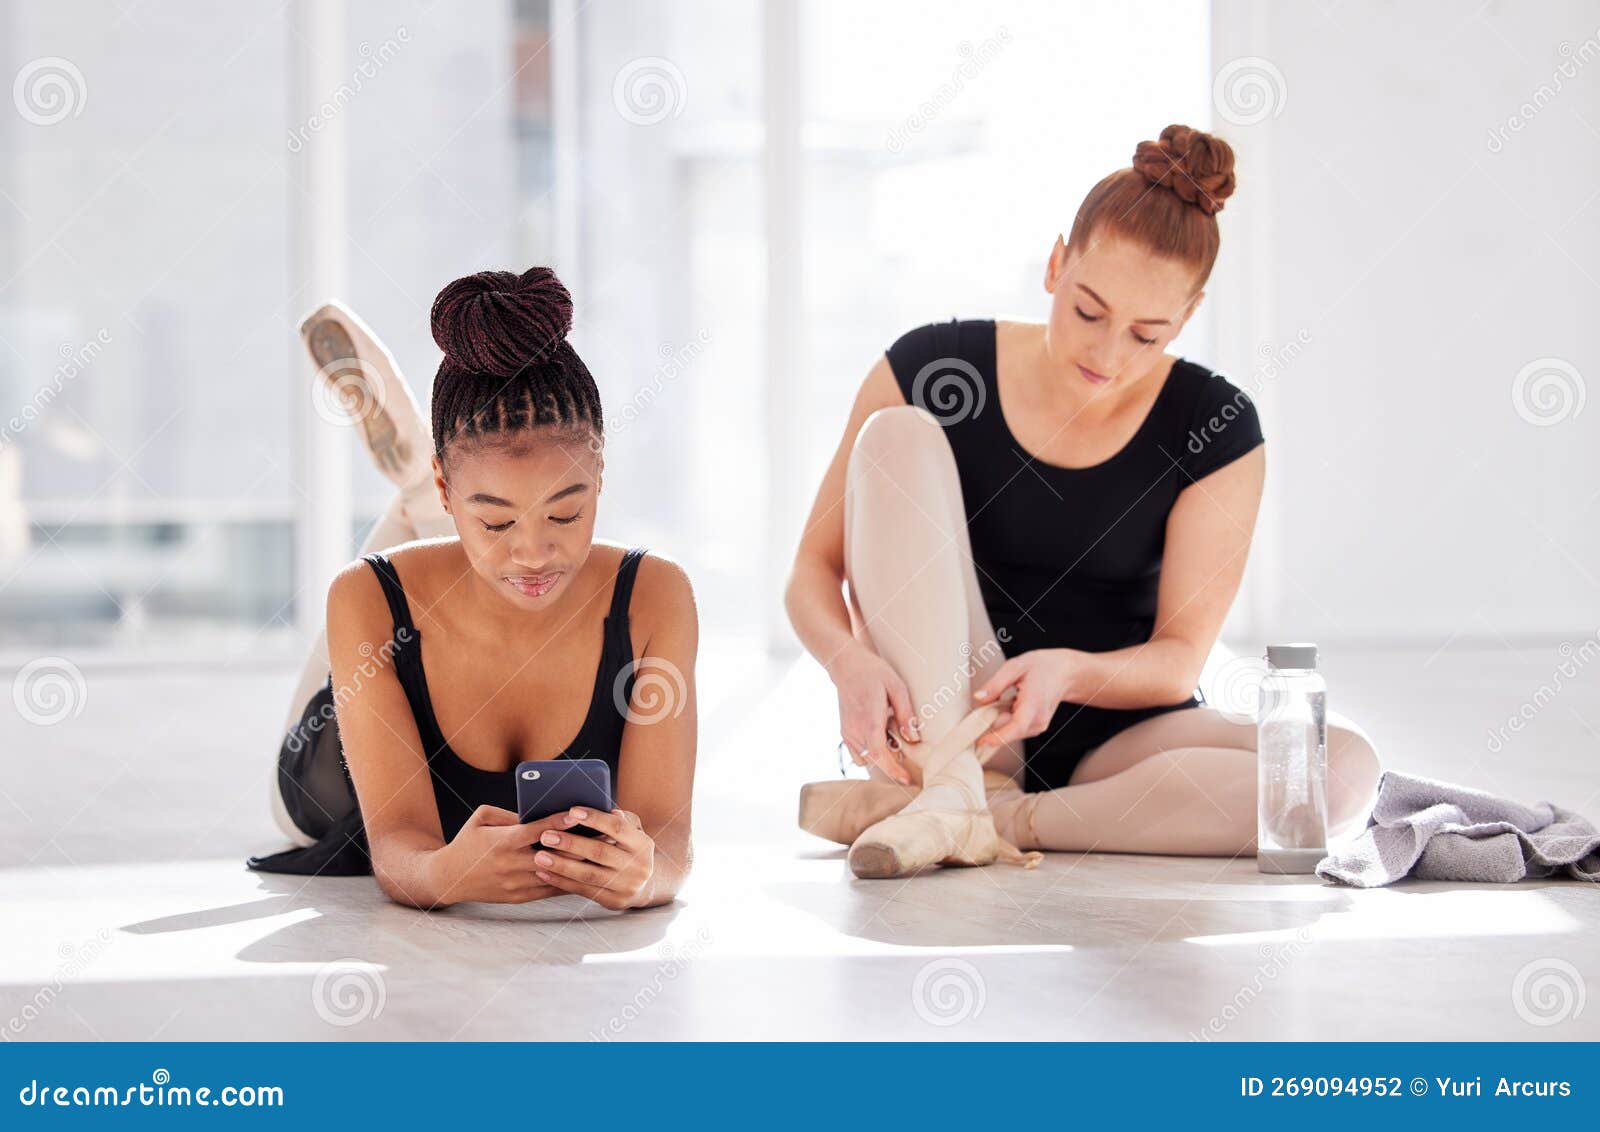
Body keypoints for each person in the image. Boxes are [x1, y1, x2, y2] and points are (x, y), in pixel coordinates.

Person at [785, 124, 1380, 879]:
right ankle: (958, 782)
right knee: (895, 433)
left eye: (1146, 335)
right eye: (1089, 312)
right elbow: (812, 569)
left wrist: (1065, 672)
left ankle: (978, 815)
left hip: (1119, 740)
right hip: (953, 714)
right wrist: (848, 663)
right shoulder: (932, 366)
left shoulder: (1215, 423)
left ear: (1188, 316)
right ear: (1056, 265)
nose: (1107, 355)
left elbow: (1177, 660)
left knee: (1342, 772)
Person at [249, 267, 698, 912]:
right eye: (497, 520)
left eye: (566, 514)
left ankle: (438, 509)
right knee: (367, 594)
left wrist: (645, 878)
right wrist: (441, 877)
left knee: (487, 565)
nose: (534, 552)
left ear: (600, 471)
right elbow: (398, 847)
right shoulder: (365, 597)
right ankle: (422, 502)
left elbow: (669, 843)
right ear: (448, 485)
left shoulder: (656, 596)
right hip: (330, 785)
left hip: (448, 547)